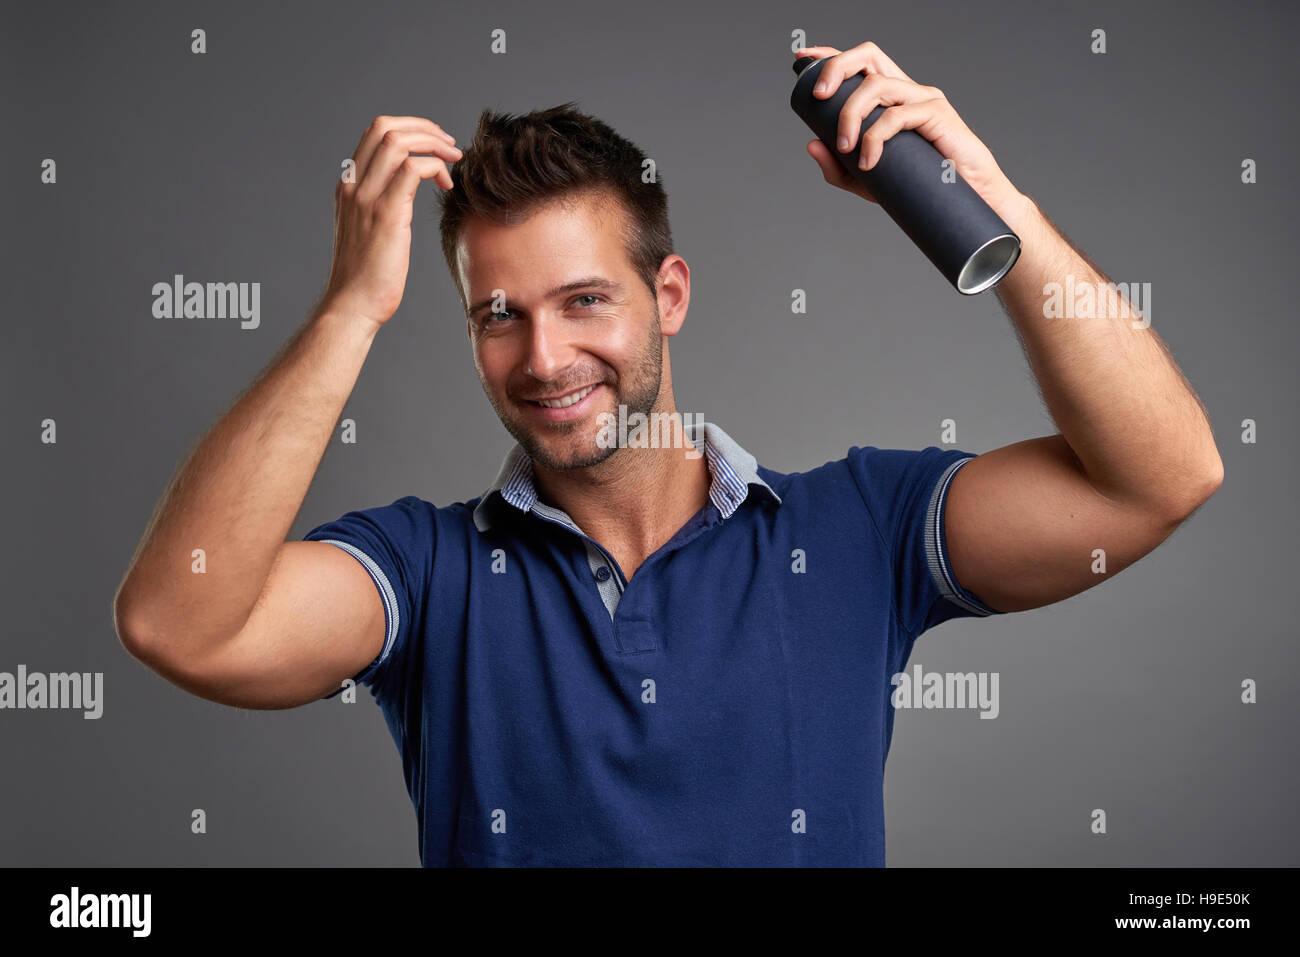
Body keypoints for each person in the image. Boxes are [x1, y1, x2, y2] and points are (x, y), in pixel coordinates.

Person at [112, 40, 1223, 866]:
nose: (544, 357)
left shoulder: (855, 533)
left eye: (584, 300)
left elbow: (1163, 477)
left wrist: (1002, 212)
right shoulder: (426, 574)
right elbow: (180, 621)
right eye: (498, 315)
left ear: (669, 296)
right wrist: (349, 311)